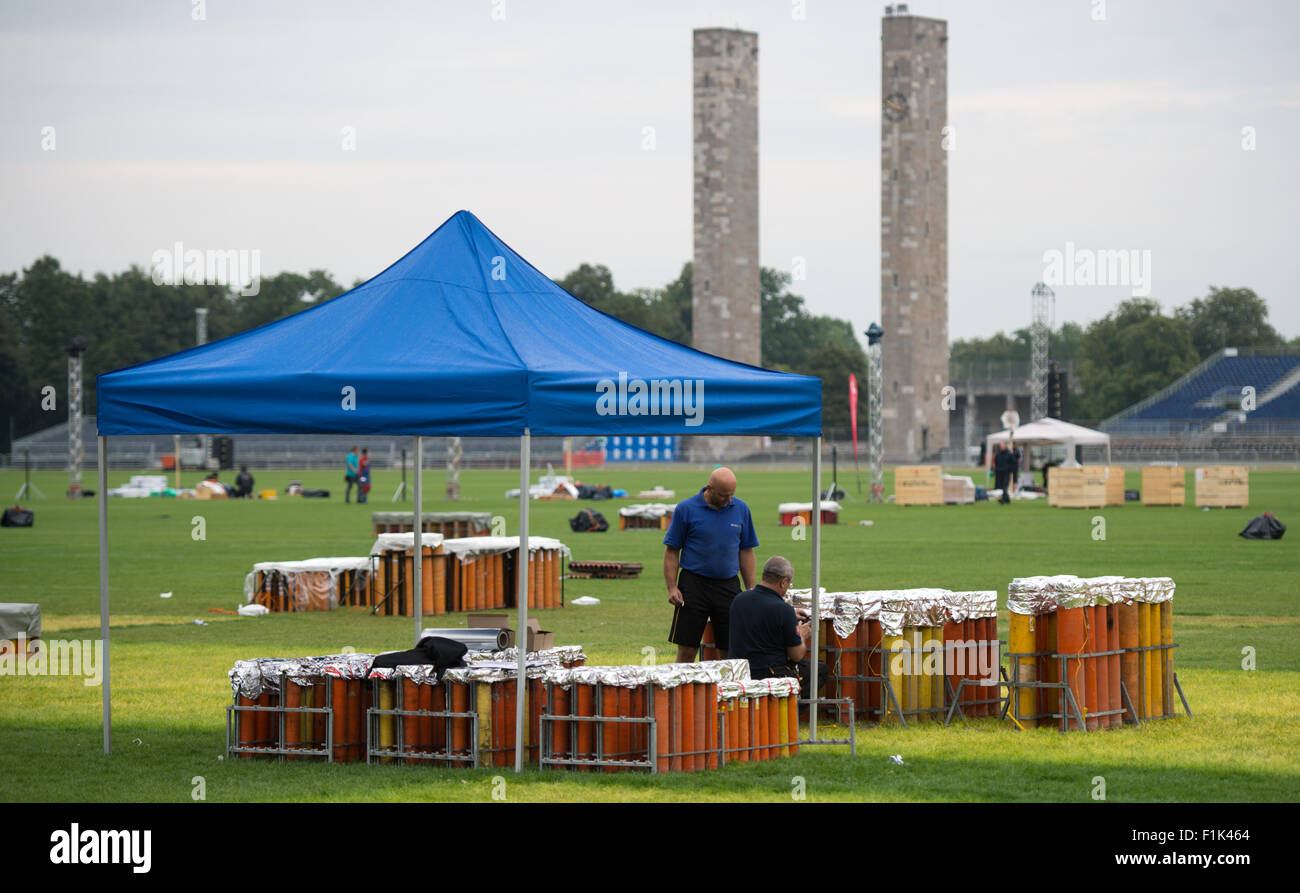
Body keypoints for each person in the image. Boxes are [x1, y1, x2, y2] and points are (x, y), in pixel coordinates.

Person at [663, 466, 758, 662]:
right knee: (688, 649)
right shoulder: (685, 509)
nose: (729, 500)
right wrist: (672, 587)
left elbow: (746, 550)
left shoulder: (741, 509)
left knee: (730, 650)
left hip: (728, 586)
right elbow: (672, 550)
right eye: (724, 495)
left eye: (732, 494)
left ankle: (725, 692)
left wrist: (750, 588)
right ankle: (683, 691)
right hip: (693, 586)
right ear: (709, 488)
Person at [728, 556, 824, 700]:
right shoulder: (783, 610)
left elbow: (759, 615)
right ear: (783, 582)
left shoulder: (739, 600)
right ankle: (788, 712)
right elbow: (796, 655)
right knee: (819, 669)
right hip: (769, 674)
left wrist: (789, 616)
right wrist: (801, 635)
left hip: (740, 672)